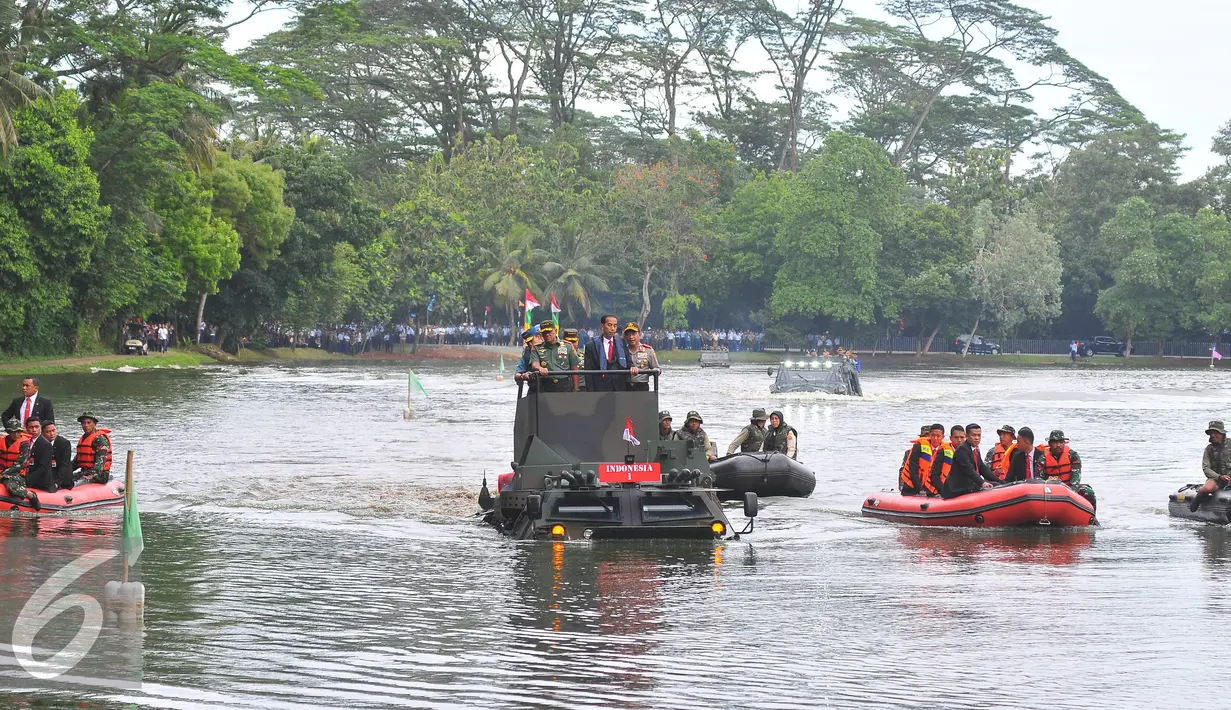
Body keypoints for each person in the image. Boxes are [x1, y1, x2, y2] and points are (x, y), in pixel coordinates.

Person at [1036, 429, 1096, 510]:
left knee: (1088, 492)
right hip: (1050, 488)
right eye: (1055, 442)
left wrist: (1071, 491)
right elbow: (1039, 479)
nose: (1058, 445)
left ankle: (1092, 515)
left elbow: (1076, 476)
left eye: (1061, 442)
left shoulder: (1072, 456)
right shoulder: (1043, 458)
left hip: (1069, 487)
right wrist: (1048, 482)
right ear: (1050, 443)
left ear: (1064, 443)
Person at [583, 315, 638, 392]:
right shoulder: (592, 345)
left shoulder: (621, 343)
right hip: (600, 387)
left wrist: (633, 367)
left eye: (615, 326)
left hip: (619, 387)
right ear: (602, 326)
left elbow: (628, 361)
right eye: (609, 325)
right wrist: (590, 392)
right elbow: (588, 372)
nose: (612, 328)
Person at [942, 424, 996, 498]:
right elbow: (969, 470)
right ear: (966, 436)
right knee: (989, 486)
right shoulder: (962, 450)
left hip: (969, 485)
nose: (977, 438)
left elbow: (983, 469)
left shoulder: (975, 449)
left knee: (997, 484)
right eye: (974, 435)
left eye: (979, 435)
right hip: (957, 489)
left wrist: (1001, 481)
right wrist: (983, 483)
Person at [1191, 420, 1231, 512]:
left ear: (1222, 433)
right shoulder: (1208, 449)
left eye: (1216, 433)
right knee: (1206, 488)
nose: (1213, 435)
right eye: (1211, 433)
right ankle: (1196, 503)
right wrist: (1219, 477)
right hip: (1216, 479)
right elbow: (1206, 468)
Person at [530, 321, 580, 392]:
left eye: (549, 332)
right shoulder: (536, 348)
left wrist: (576, 388)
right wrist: (540, 368)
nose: (547, 334)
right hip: (545, 384)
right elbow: (534, 364)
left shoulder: (568, 346)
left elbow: (574, 368)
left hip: (565, 385)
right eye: (544, 332)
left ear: (555, 331)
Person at [0, 417, 37, 508]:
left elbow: (20, 464)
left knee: (11, 486)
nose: (16, 434)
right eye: (13, 432)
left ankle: (30, 495)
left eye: (18, 431)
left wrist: (3, 474)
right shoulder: (2, 441)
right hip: (2, 471)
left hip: (17, 473)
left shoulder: (24, 444)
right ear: (9, 432)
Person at [72, 411, 112, 485]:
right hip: (86, 472)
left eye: (89, 422)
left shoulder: (100, 439)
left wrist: (82, 475)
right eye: (83, 423)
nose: (86, 425)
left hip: (99, 474)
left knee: (72, 480)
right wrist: (64, 470)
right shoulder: (84, 438)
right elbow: (76, 461)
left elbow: (99, 465)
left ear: (94, 424)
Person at [904, 424, 945, 496]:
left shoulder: (945, 450)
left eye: (938, 436)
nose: (935, 438)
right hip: (913, 487)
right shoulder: (918, 447)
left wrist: (943, 490)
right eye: (933, 435)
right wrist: (920, 490)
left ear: (943, 437)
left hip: (933, 488)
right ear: (930, 435)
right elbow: (913, 469)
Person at [34, 421, 74, 491]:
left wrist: (57, 483)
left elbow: (65, 465)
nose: (52, 434)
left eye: (53, 430)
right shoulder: (39, 443)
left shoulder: (64, 443)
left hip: (61, 478)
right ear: (42, 433)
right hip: (45, 477)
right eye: (48, 432)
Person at [928, 425, 965, 494]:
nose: (959, 440)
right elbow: (934, 474)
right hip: (944, 488)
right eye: (956, 437)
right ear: (950, 438)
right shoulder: (943, 452)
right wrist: (943, 490)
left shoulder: (969, 451)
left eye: (962, 437)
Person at [623, 323, 658, 391]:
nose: (631, 337)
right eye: (628, 334)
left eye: (633, 334)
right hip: (624, 386)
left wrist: (650, 372)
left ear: (640, 334)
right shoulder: (621, 351)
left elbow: (656, 368)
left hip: (642, 386)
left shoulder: (648, 351)